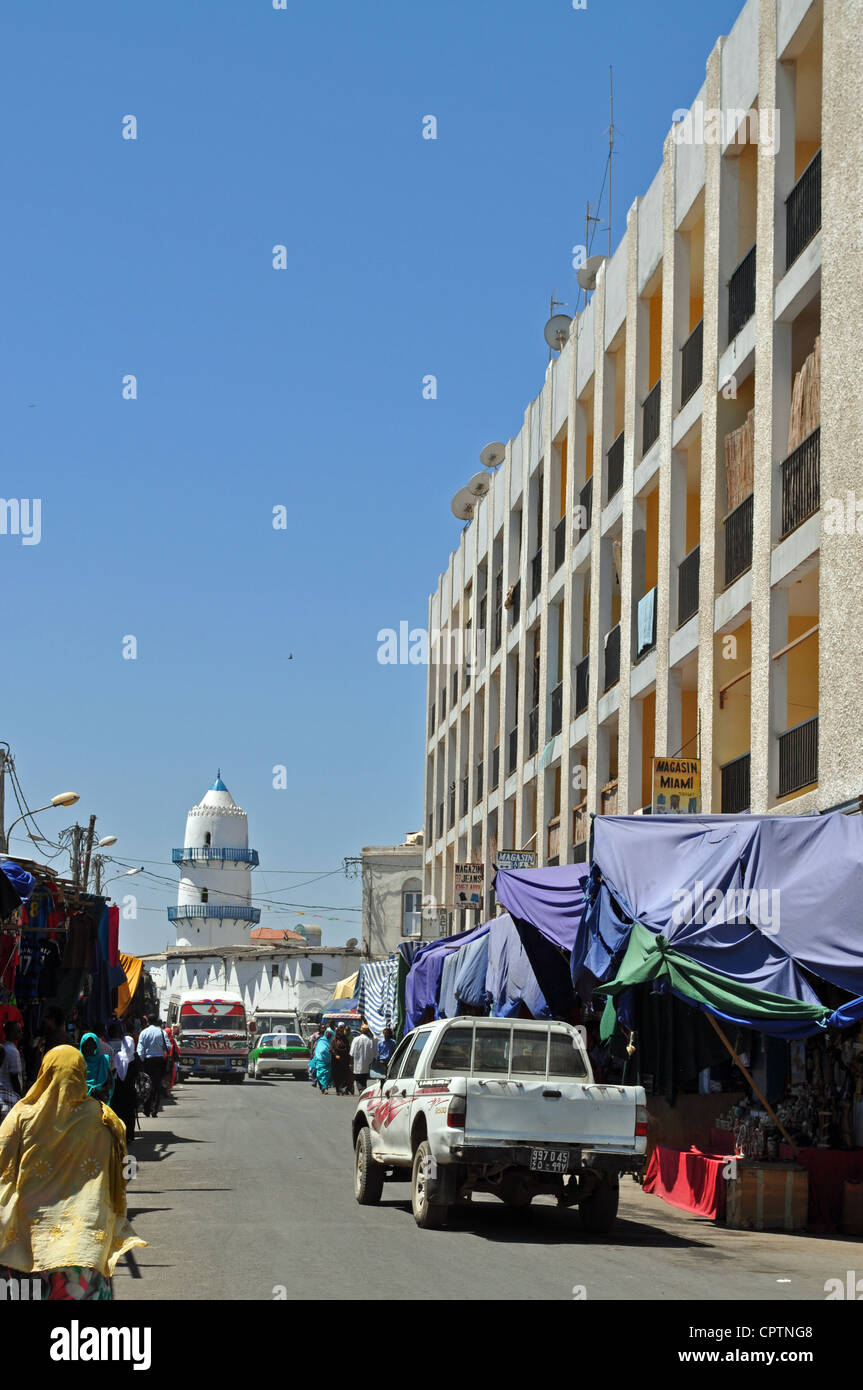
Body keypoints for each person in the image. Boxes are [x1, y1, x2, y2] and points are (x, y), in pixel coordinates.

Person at [0, 1045, 146, 1299]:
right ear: (82, 1073)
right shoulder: (104, 1118)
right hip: (86, 1238)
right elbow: (126, 1171)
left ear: (44, 1072)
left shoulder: (22, 1116)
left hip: (29, 1241)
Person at [106, 1020, 137, 1147]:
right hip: (130, 1090)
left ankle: (119, 1134)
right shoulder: (135, 1058)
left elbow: (114, 1071)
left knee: (118, 1111)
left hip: (118, 1089)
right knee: (129, 1113)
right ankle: (129, 1135)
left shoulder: (118, 1057)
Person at [136, 1014, 167, 1119]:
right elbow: (168, 1046)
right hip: (159, 1061)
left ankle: (147, 1109)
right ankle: (154, 1110)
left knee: (146, 1085)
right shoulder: (162, 1032)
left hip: (147, 1061)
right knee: (157, 1085)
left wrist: (140, 1062)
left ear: (148, 1021)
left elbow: (140, 1050)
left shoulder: (144, 1033)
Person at [80, 1033, 114, 1107]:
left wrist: (99, 1089)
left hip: (100, 1104)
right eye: (86, 1045)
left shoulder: (103, 1061)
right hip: (81, 1106)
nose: (89, 1048)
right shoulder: (78, 1062)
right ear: (82, 1046)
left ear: (96, 1046)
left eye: (91, 1045)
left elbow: (110, 1084)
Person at [0, 1022, 23, 1122]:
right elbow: (14, 1077)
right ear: (13, 1033)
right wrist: (20, 1096)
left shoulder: (4, 1047)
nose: (21, 1033)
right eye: (19, 1031)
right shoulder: (13, 1052)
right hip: (9, 1095)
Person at [350, 1024, 375, 1094]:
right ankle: (363, 1090)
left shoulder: (356, 1039)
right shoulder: (370, 1040)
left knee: (358, 1079)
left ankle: (361, 1090)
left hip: (357, 1064)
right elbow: (374, 1054)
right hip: (367, 1065)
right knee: (364, 1079)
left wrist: (351, 1063)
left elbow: (351, 1053)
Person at [330, 1024, 353, 1096]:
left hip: (344, 1060)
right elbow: (331, 1049)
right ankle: (338, 1090)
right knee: (336, 1076)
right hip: (336, 1061)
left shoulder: (346, 1039)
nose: (341, 1033)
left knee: (344, 1076)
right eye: (340, 1031)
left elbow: (348, 1049)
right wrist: (336, 1055)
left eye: (342, 1031)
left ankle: (343, 1088)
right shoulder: (334, 1040)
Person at [310, 1028, 333, 1095]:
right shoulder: (320, 1040)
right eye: (327, 1033)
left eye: (329, 1034)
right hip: (320, 1060)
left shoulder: (331, 1041)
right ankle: (323, 1088)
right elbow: (317, 1049)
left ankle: (325, 1088)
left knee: (327, 1074)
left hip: (328, 1061)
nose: (328, 1034)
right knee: (319, 1074)